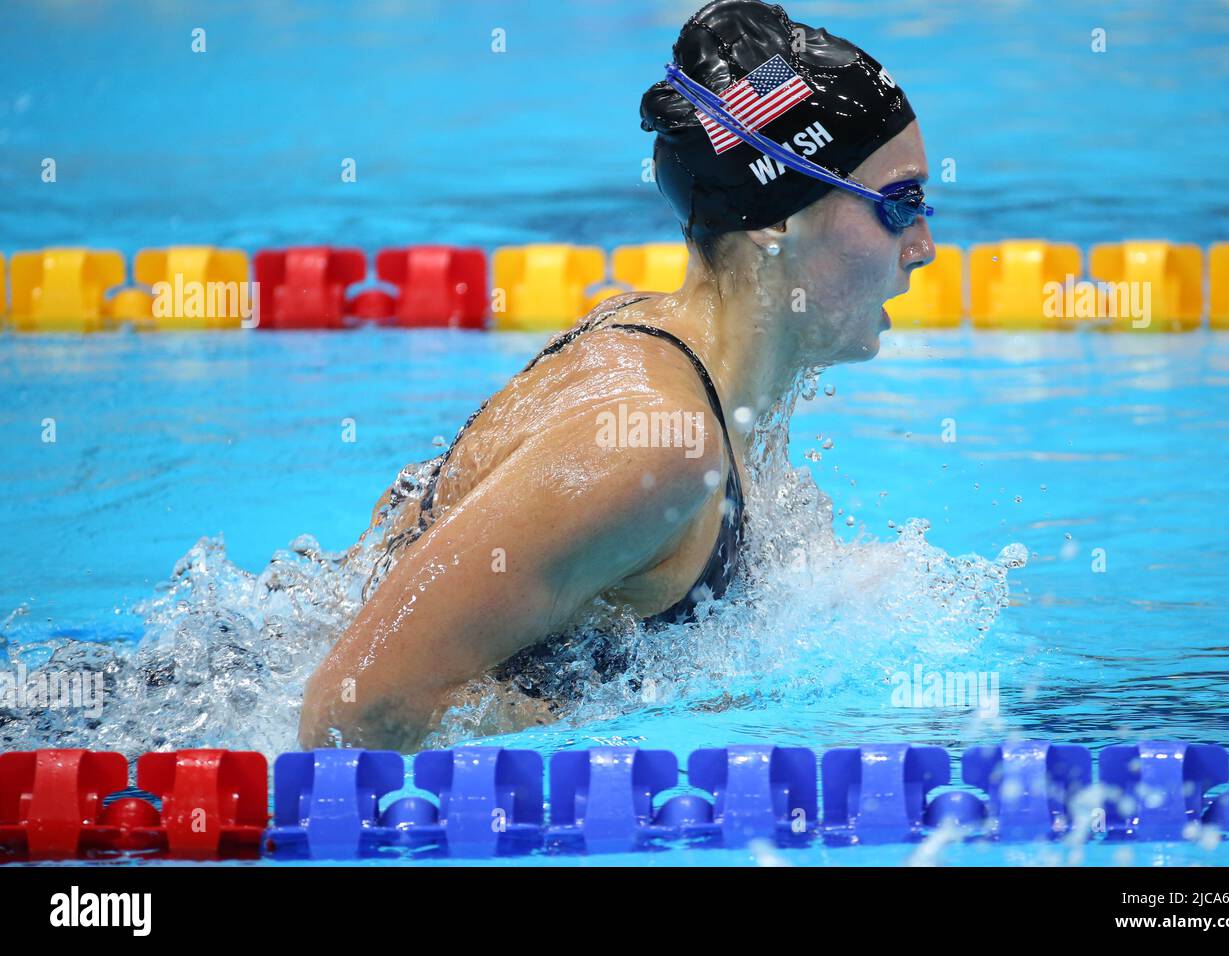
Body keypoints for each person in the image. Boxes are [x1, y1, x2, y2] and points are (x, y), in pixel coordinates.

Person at [298, 0, 935, 750]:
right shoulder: (652, 443)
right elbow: (351, 715)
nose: (923, 246)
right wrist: (677, 726)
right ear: (775, 220)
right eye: (900, 206)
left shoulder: (704, 378)